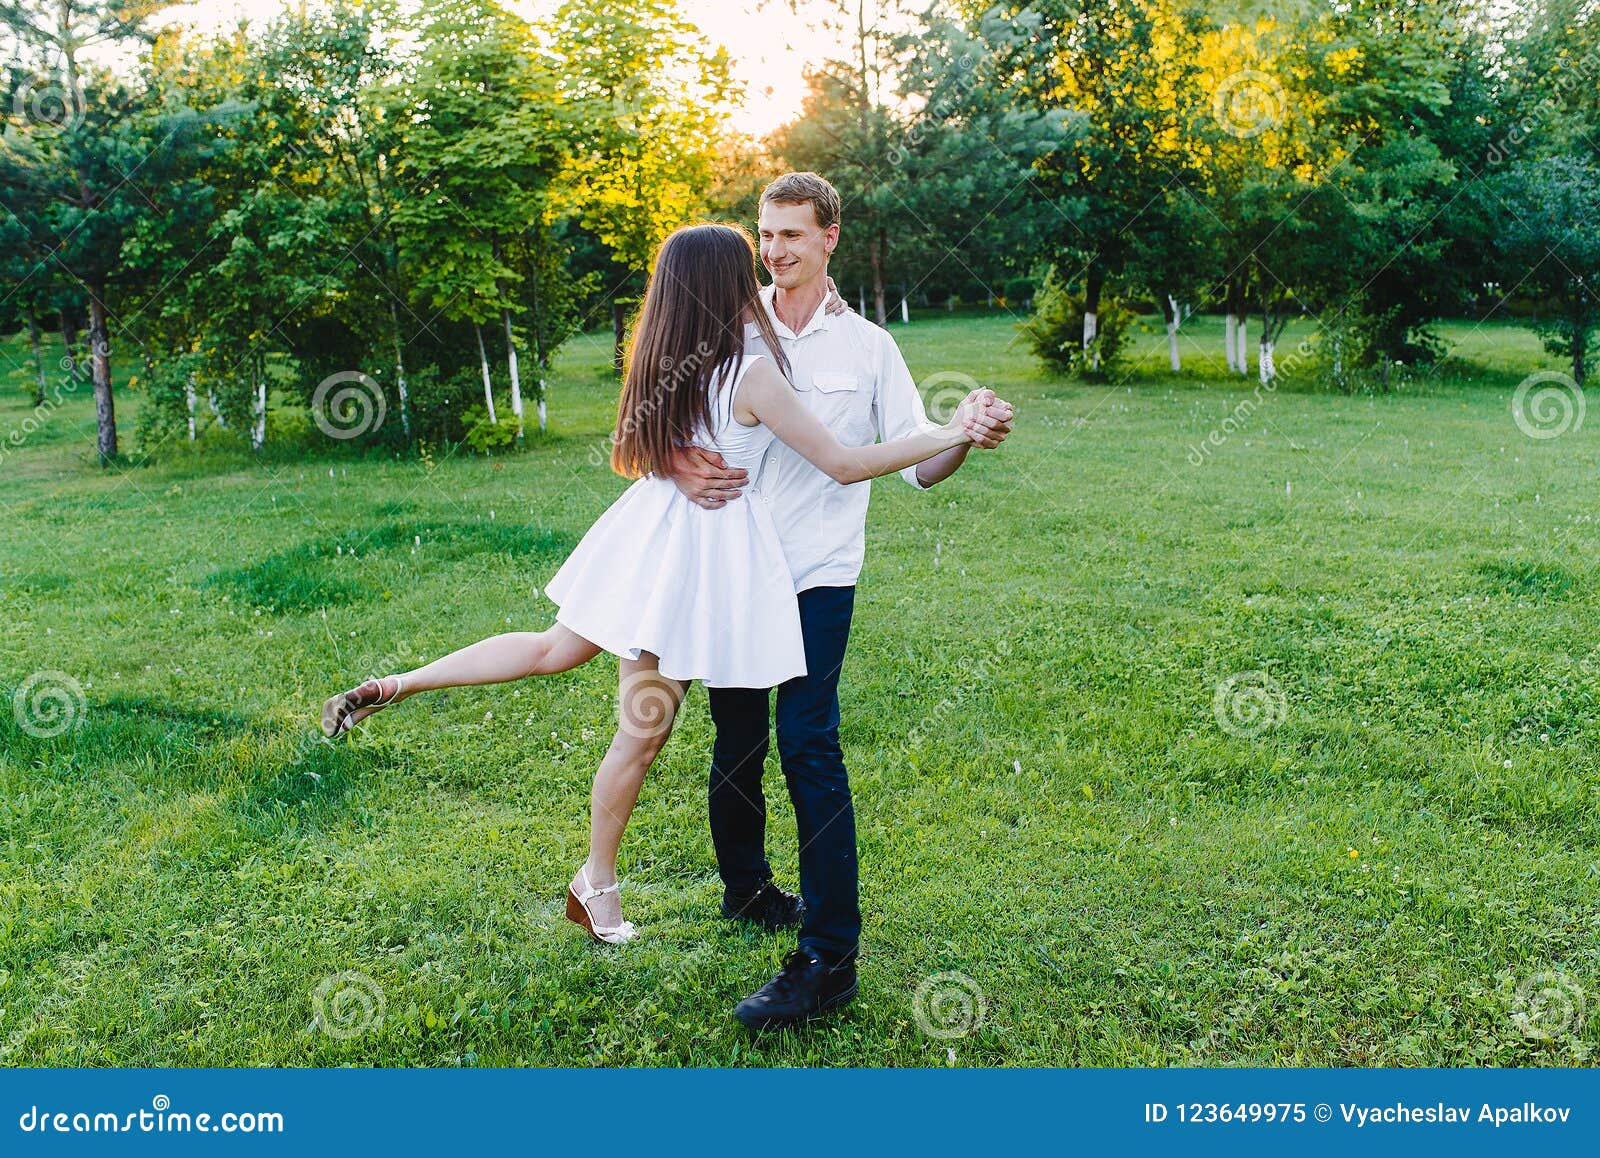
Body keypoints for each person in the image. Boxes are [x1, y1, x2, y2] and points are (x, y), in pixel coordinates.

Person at [318, 220, 998, 948]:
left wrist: (674, 459)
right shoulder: (752, 368)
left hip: (650, 539)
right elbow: (839, 461)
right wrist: (951, 427)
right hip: (700, 563)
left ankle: (401, 687)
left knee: (562, 655)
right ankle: (596, 881)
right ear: (729, 282)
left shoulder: (665, 353)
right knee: (643, 732)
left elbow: (631, 445)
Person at [663, 173, 1016, 1030]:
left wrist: (964, 436)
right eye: (765, 233)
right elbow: (663, 415)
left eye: (791, 234)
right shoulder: (723, 320)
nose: (774, 250)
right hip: (734, 568)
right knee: (736, 738)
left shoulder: (869, 349)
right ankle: (746, 891)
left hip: (819, 572)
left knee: (808, 743)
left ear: (829, 238)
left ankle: (829, 957)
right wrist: (676, 460)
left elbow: (924, 467)